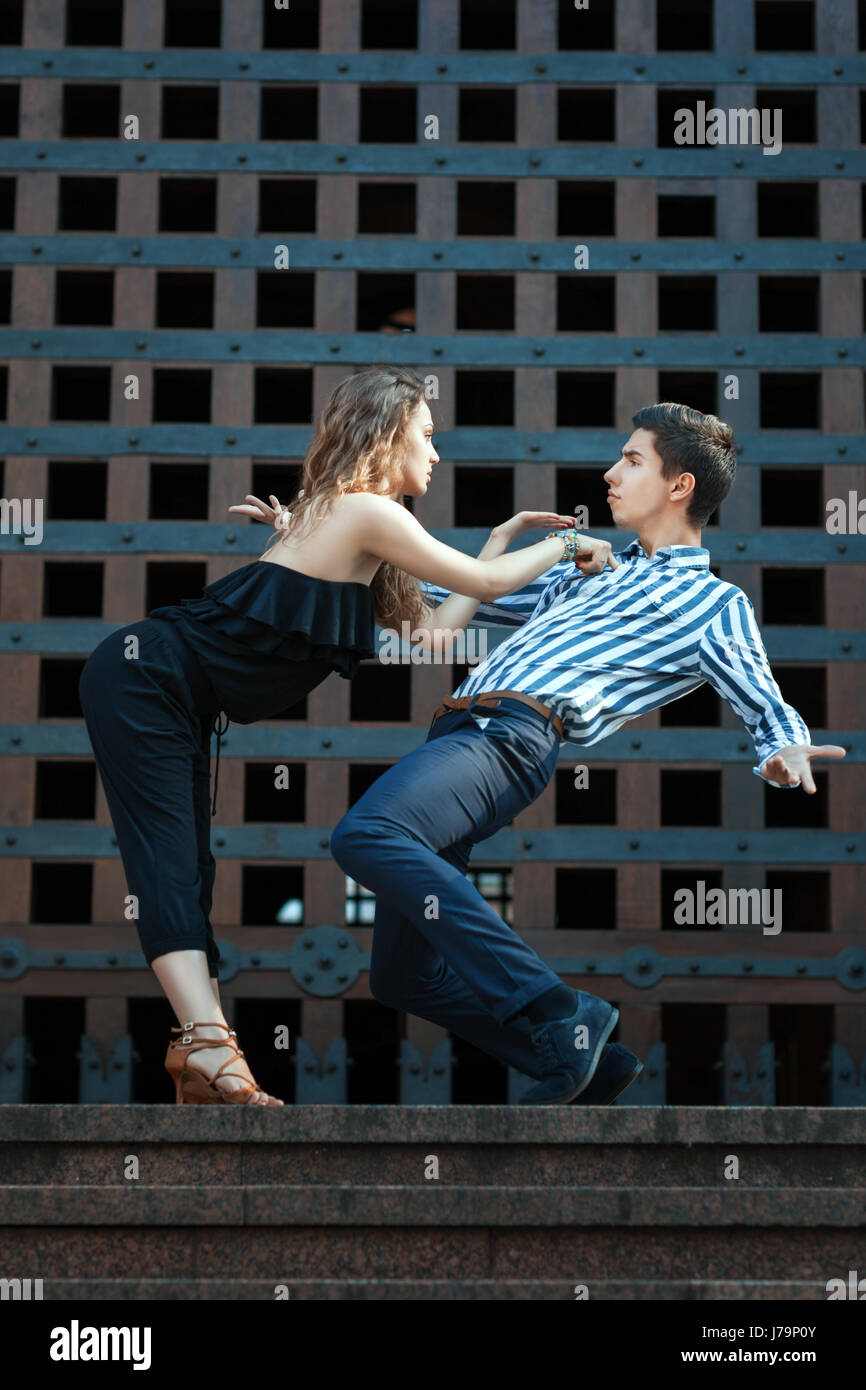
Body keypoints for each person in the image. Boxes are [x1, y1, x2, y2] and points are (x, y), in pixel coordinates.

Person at [78, 365, 612, 1106]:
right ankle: (211, 1050)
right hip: (145, 676)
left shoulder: (356, 524)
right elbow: (487, 591)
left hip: (169, 693)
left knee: (187, 865)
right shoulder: (364, 511)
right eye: (426, 435)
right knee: (168, 862)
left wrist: (494, 539)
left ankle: (199, 1052)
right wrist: (567, 546)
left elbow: (434, 635)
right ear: (387, 430)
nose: (434, 453)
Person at [329, 402, 847, 1106]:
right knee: (403, 977)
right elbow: (445, 599)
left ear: (680, 486)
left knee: (367, 833)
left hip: (510, 739)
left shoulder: (712, 603)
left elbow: (765, 700)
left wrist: (783, 750)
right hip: (455, 737)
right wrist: (317, 549)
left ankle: (555, 1007)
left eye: (632, 460)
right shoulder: (582, 570)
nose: (610, 472)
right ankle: (585, 1060)